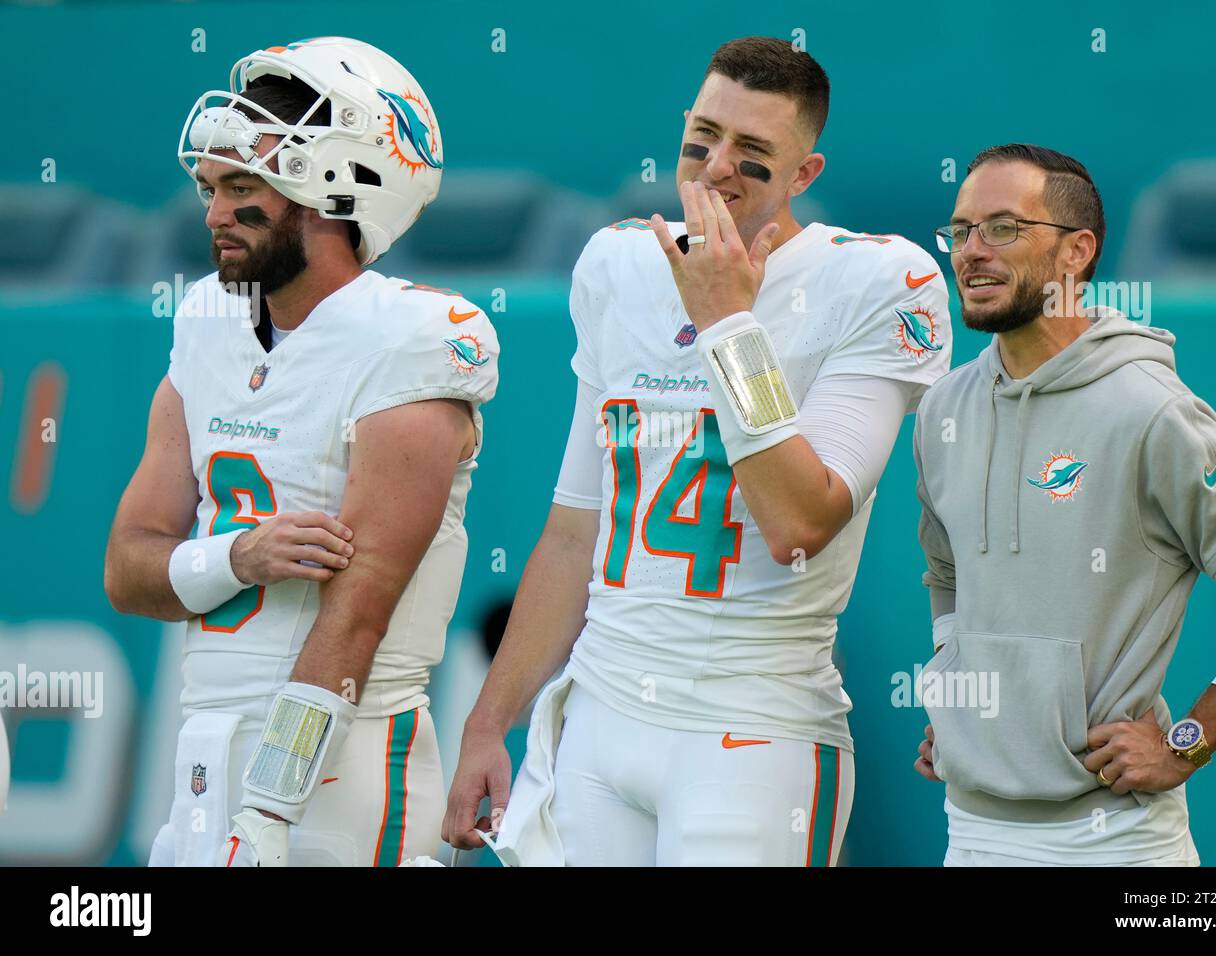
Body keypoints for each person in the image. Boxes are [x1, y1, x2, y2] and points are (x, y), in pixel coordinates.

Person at [443, 35, 950, 866]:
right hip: (600, 714)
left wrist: (727, 325)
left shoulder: (876, 279)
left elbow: (798, 521)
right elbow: (576, 530)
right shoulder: (617, 263)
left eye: (753, 151)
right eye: (704, 134)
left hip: (749, 728)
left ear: (803, 175)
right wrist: (489, 722)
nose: (716, 166)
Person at [104, 37, 499, 866]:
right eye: (212, 186)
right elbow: (129, 569)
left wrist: (271, 807)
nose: (213, 213)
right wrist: (239, 557)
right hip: (206, 752)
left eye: (244, 186)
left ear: (334, 185)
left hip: (342, 766)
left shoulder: (416, 338)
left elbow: (358, 610)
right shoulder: (207, 320)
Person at [912, 143, 1216, 865]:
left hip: (1117, 845)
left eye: (1002, 228)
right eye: (960, 231)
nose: (971, 252)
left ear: (1076, 252)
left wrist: (1188, 743)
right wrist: (963, 698)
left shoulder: (1151, 411)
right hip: (969, 834)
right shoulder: (941, 410)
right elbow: (948, 577)